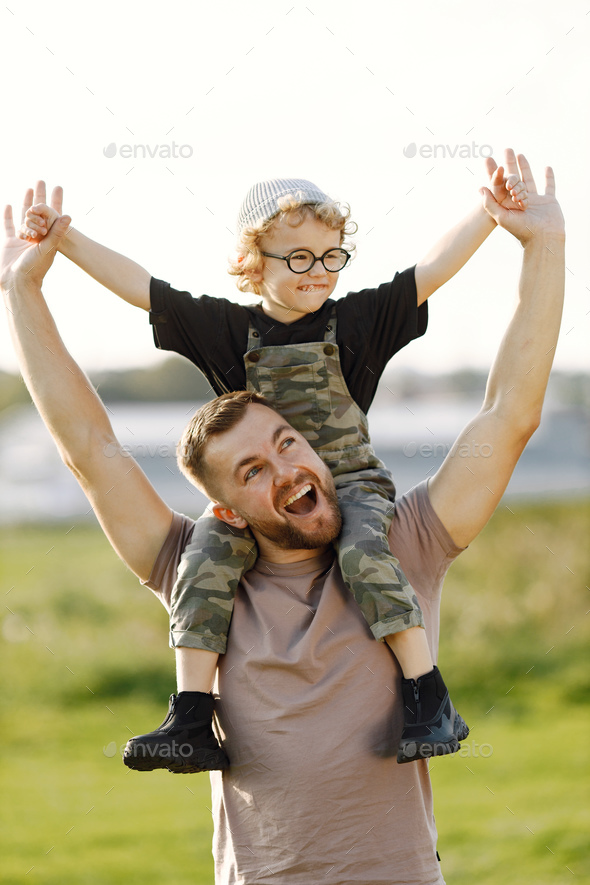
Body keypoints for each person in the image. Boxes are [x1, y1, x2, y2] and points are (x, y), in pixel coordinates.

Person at [2, 151, 565, 884]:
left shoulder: (406, 542)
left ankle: (432, 700)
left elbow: (509, 413)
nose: (290, 467)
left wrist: (543, 243)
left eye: (289, 442)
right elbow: (89, 448)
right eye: (252, 469)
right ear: (223, 505)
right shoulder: (188, 566)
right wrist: (22, 287)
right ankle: (186, 716)